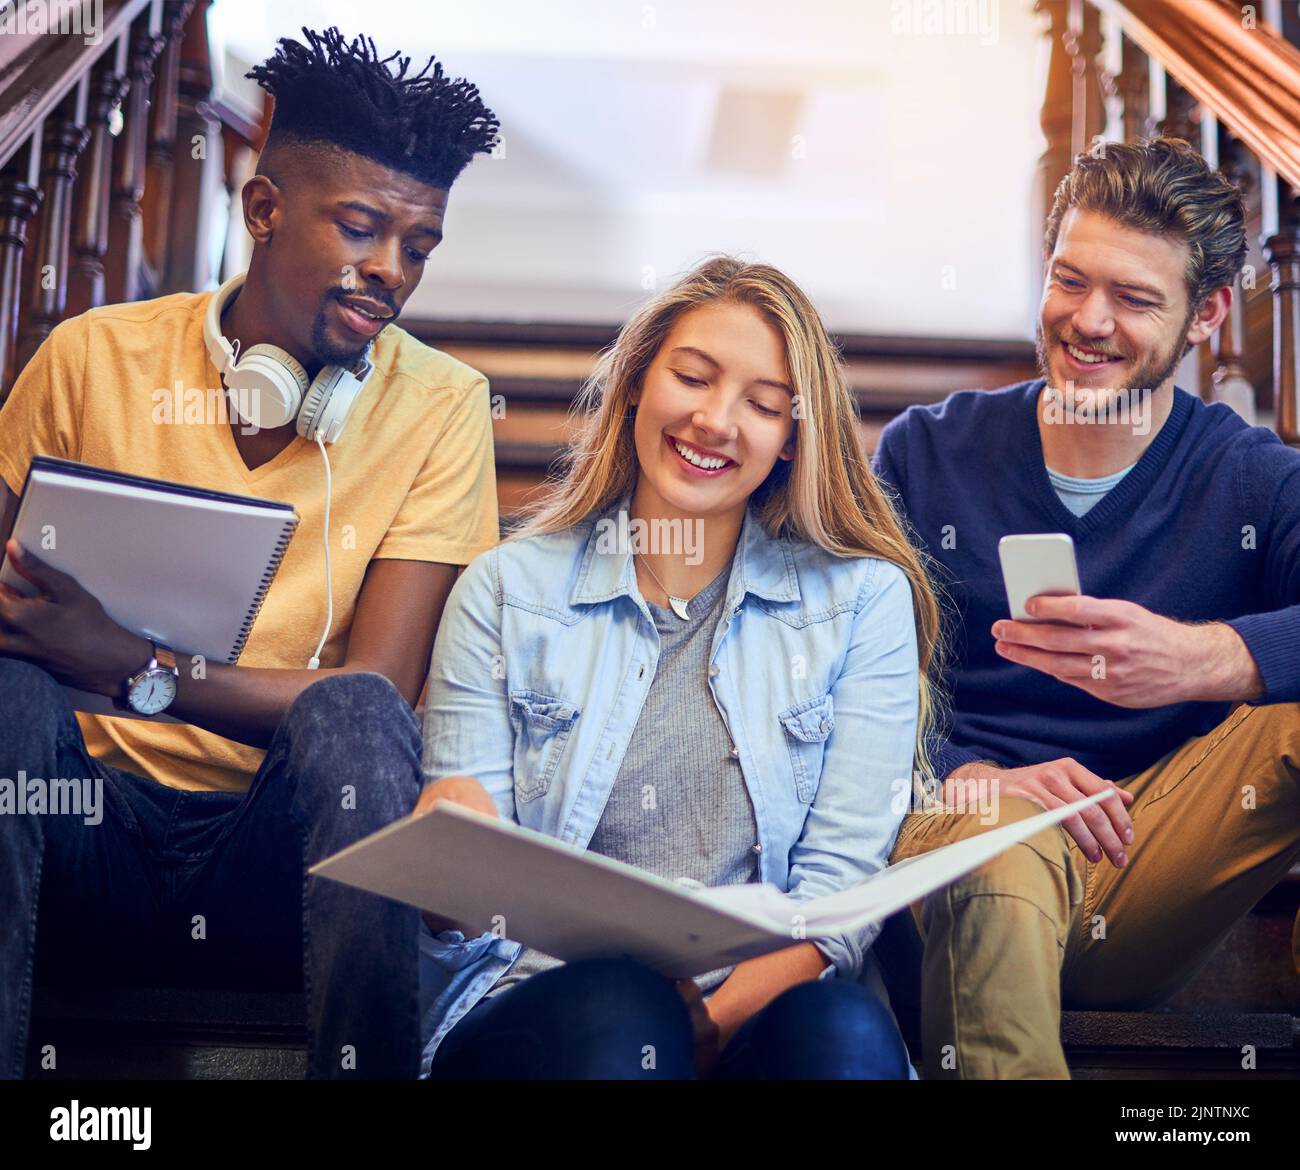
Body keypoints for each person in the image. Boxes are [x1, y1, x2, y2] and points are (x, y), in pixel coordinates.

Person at [0, 27, 500, 1079]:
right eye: (362, 228)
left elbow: (373, 685)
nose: (389, 273)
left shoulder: (441, 406)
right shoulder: (92, 359)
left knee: (356, 716)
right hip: (77, 830)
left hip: (270, 860)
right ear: (264, 209)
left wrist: (135, 666)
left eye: (418, 245)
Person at [414, 255, 941, 1079]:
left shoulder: (861, 602)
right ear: (634, 387)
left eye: (763, 405)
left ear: (790, 439)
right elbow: (475, 923)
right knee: (620, 1011)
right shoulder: (507, 590)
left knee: (844, 1033)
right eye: (691, 379)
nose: (715, 421)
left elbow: (836, 899)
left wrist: (705, 1024)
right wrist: (449, 850)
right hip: (547, 1005)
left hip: (762, 1005)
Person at [873, 137, 1300, 1079]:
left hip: (1141, 861)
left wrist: (1210, 659)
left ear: (1208, 315)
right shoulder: (925, 455)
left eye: (1136, 299)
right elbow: (836, 681)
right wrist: (973, 776)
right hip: (958, 845)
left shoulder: (1254, 480)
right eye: (1070, 280)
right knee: (996, 841)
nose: (1090, 321)